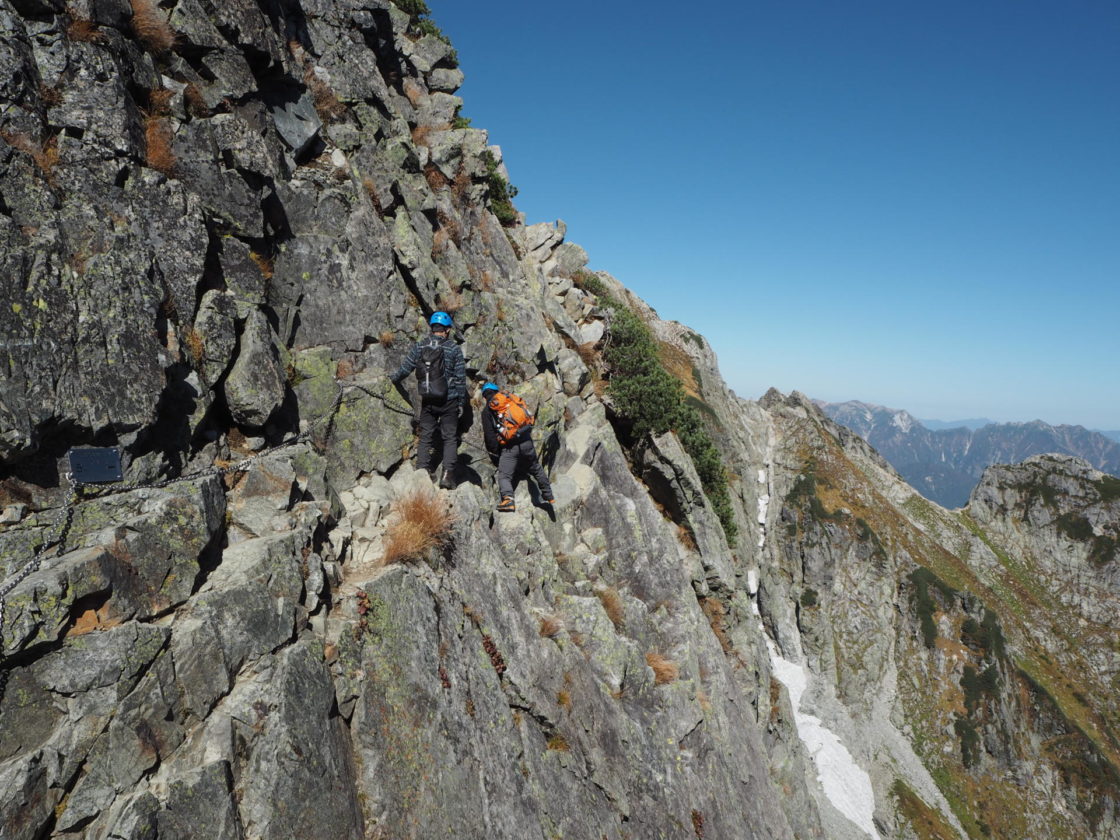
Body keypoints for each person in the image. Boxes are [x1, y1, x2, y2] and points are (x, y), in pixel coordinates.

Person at [390, 312, 465, 489]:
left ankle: (422, 471)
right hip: (449, 400)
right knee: (450, 438)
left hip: (428, 398)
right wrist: (461, 402)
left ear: (432, 328)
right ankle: (447, 476)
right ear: (447, 330)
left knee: (426, 436)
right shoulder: (454, 349)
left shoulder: (421, 345)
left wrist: (392, 379)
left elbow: (406, 368)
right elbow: (460, 379)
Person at [481, 382, 554, 512]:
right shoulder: (510, 399)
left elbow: (490, 435)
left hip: (510, 447)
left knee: (504, 476)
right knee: (536, 467)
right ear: (496, 390)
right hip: (526, 440)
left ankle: (508, 500)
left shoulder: (487, 410)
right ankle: (548, 494)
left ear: (484, 396)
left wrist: (496, 452)